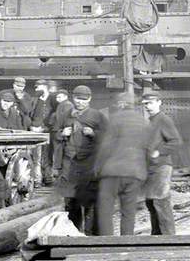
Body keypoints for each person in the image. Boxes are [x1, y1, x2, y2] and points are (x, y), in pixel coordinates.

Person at [94, 96, 151, 237]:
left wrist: (97, 168)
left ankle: (106, 242)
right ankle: (126, 242)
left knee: (105, 210)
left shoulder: (115, 119)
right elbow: (148, 148)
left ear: (120, 104)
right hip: (135, 173)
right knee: (128, 211)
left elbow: (106, 147)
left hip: (112, 172)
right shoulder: (144, 122)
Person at [62, 85, 104, 233]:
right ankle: (73, 233)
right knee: (71, 200)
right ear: (72, 97)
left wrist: (94, 134)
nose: (80, 102)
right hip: (70, 163)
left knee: (89, 201)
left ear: (90, 99)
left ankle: (92, 236)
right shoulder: (67, 114)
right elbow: (54, 134)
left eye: (83, 99)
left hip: (89, 164)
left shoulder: (97, 115)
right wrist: (62, 134)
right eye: (77, 98)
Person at [142, 89, 183, 236]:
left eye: (150, 103)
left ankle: (168, 238)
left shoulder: (164, 119)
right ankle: (157, 237)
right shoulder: (150, 121)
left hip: (162, 167)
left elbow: (176, 141)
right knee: (151, 203)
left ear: (159, 103)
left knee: (160, 202)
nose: (147, 106)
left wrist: (159, 151)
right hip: (152, 168)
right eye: (145, 104)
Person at [25, 79, 54, 184]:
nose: (36, 89)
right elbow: (29, 115)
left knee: (48, 155)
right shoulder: (34, 100)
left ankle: (48, 178)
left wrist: (47, 127)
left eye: (38, 87)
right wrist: (32, 126)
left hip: (49, 131)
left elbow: (56, 116)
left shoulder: (53, 99)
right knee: (36, 156)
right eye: (36, 87)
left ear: (45, 87)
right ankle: (37, 179)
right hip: (36, 131)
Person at [48, 86, 72, 185]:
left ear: (65, 96)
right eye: (57, 97)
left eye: (60, 97)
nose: (57, 99)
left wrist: (62, 132)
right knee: (59, 157)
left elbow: (64, 121)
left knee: (61, 157)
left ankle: (63, 180)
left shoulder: (66, 105)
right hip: (59, 134)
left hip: (62, 135)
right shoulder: (62, 105)